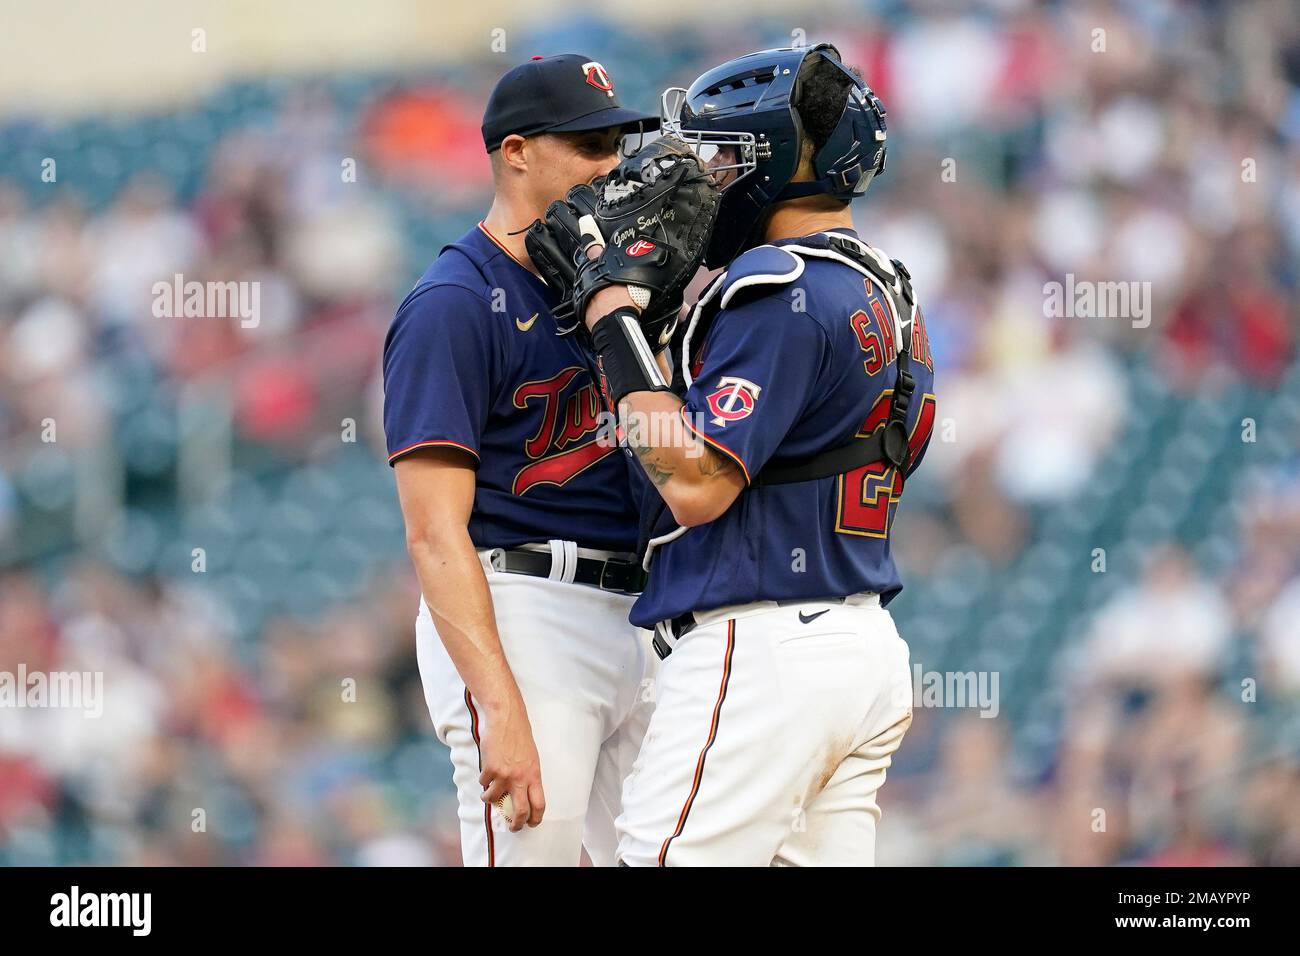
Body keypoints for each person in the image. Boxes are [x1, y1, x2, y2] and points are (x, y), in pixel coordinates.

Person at [567, 43, 938, 865]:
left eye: (725, 155)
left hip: (767, 647)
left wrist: (612, 318)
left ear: (777, 163)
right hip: (860, 645)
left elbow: (695, 482)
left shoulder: (779, 284)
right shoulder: (888, 287)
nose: (706, 176)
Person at [382, 54, 659, 866]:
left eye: (617, 143)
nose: (611, 165)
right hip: (526, 609)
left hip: (639, 611)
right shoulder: (454, 303)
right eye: (589, 144)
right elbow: (434, 534)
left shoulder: (620, 286)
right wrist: (498, 705)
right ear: (517, 152)